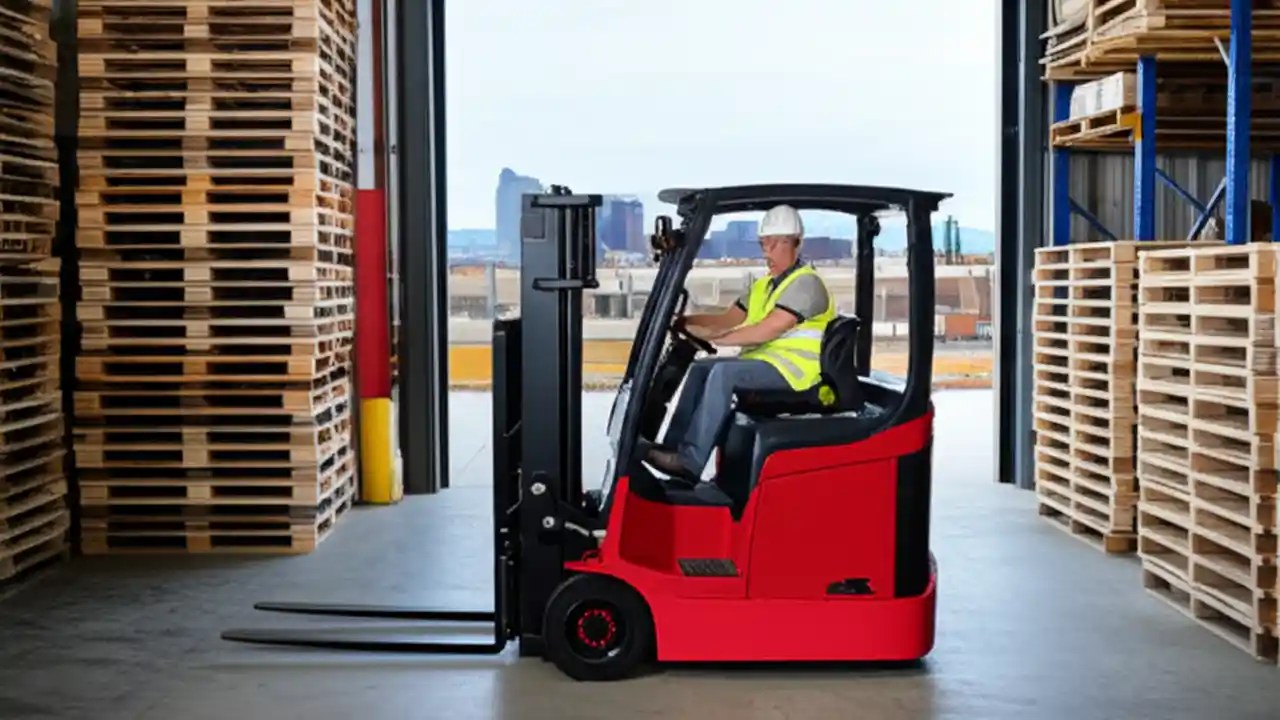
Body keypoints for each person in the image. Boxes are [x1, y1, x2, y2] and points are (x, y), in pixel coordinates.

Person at [646, 204, 836, 479]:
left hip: (797, 375)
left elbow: (766, 331)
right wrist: (684, 321)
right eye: (763, 243)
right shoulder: (765, 285)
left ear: (793, 242)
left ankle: (690, 461)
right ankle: (672, 448)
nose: (765, 251)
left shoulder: (806, 284)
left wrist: (716, 338)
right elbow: (726, 319)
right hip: (766, 365)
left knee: (723, 374)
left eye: (772, 243)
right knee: (702, 368)